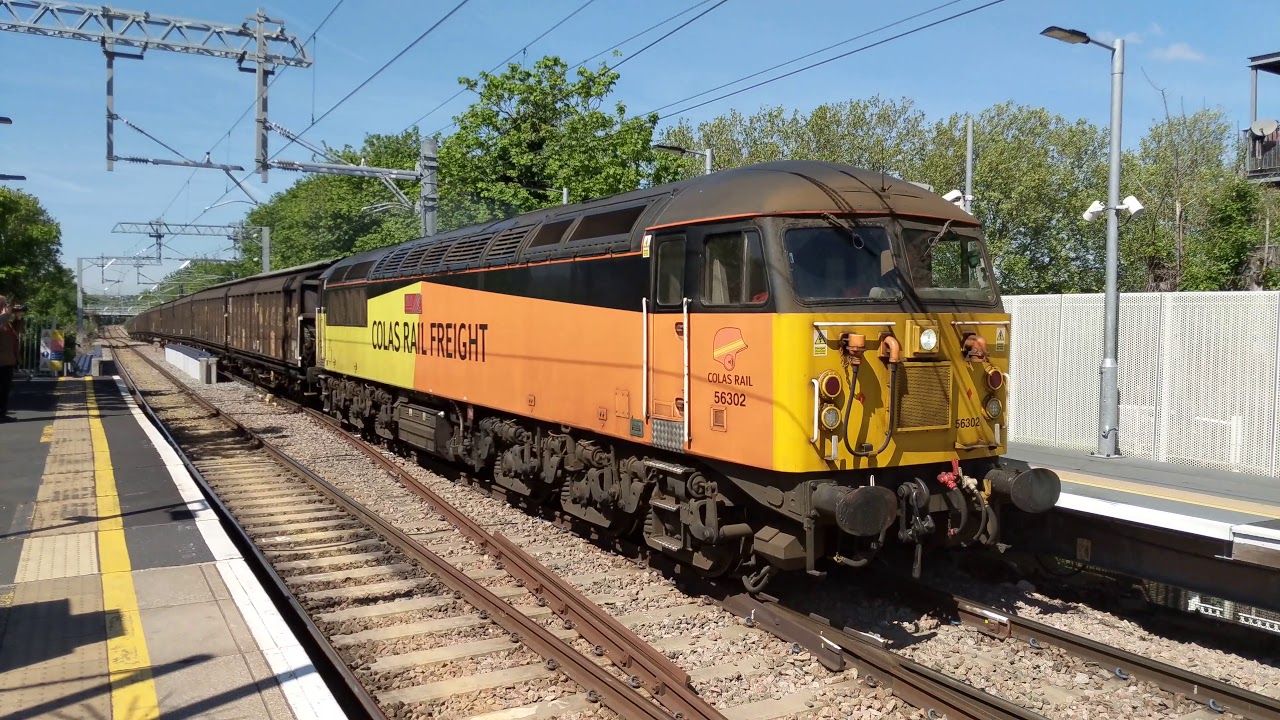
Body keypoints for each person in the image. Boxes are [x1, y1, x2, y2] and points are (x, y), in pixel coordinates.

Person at [0, 295, 20, 421]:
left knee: (4, 389)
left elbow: (16, 333)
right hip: (1, 361)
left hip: (7, 360)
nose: (7, 306)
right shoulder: (2, 320)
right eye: (4, 304)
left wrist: (18, 318)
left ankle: (2, 414)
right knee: (1, 389)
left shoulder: (6, 322)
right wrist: (5, 315)